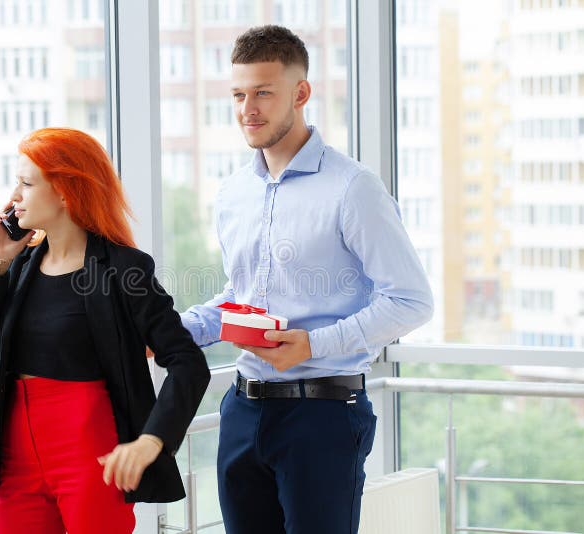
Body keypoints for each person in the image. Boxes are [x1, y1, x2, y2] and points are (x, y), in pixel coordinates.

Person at [179, 25, 434, 534]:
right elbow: (240, 298)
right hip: (243, 413)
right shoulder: (233, 195)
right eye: (238, 94)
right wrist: (173, 332)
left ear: (300, 93)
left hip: (323, 414)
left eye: (263, 93)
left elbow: (411, 300)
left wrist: (313, 344)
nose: (247, 109)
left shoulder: (353, 188)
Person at [0, 127, 210, 534]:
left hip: (90, 458)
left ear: (64, 191)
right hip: (18, 461)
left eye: (26, 183)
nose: (14, 196)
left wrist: (153, 440)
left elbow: (187, 362)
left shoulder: (124, 269)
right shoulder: (20, 266)